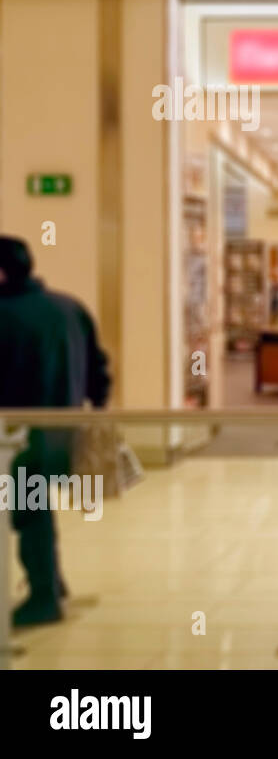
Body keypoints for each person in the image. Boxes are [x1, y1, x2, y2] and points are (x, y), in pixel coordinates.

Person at [0, 236, 111, 628]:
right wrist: (97, 409)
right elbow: (99, 370)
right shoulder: (70, 307)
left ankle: (43, 596)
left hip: (16, 438)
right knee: (34, 509)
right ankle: (51, 581)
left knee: (29, 512)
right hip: (65, 429)